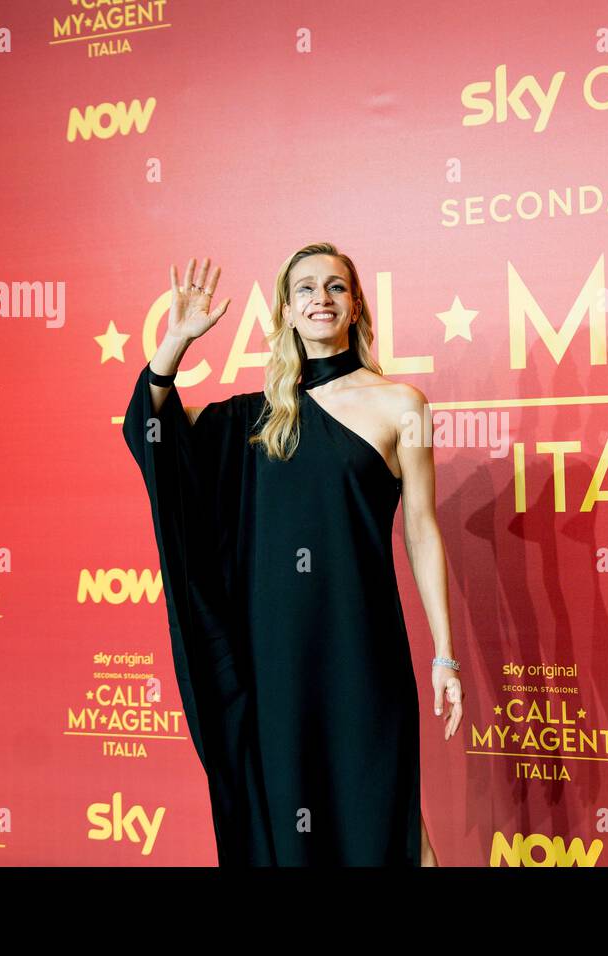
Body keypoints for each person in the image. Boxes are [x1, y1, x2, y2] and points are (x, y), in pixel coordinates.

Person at [122, 242, 463, 866]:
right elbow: (154, 433)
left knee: (386, 813)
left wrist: (444, 654)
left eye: (335, 287)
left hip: (361, 647)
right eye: (305, 289)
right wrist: (175, 344)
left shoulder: (401, 404)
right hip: (275, 658)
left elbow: (422, 529)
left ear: (355, 305)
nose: (321, 299)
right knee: (293, 813)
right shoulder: (257, 419)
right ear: (287, 310)